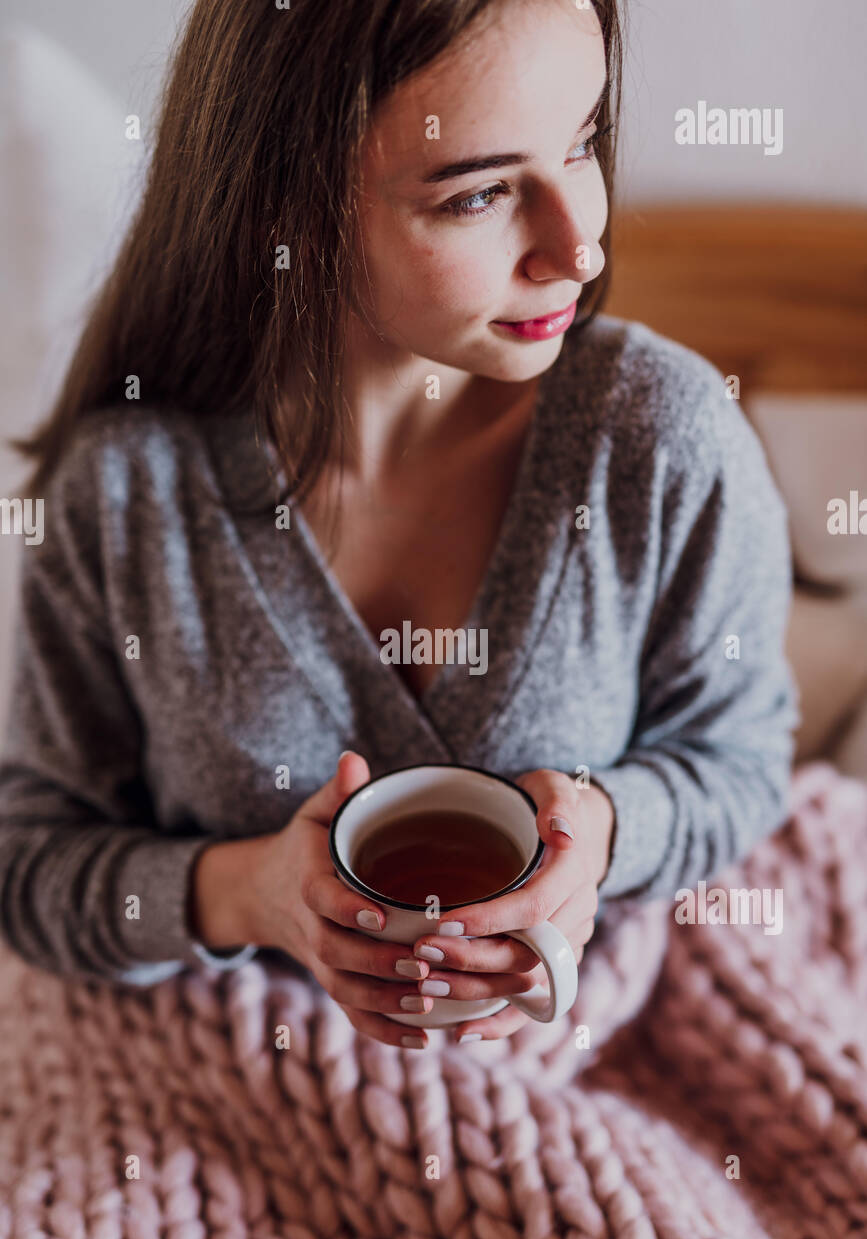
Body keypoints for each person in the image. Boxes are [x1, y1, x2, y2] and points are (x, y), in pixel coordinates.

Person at [0, 0, 797, 1051]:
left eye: (584, 140)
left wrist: (606, 830)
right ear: (282, 208)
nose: (579, 248)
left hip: (604, 1056)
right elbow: (30, 865)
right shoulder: (124, 496)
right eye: (478, 195)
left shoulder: (659, 437)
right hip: (224, 1090)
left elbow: (739, 762)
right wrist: (250, 895)